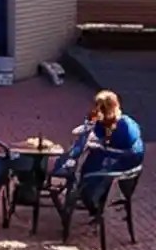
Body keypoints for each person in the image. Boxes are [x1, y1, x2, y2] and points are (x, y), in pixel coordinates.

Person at [54, 90, 144, 218]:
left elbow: (112, 142)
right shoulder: (119, 120)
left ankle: (90, 199)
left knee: (89, 164)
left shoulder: (124, 127)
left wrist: (98, 144)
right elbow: (103, 134)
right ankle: (84, 192)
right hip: (126, 160)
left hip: (123, 164)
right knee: (89, 155)